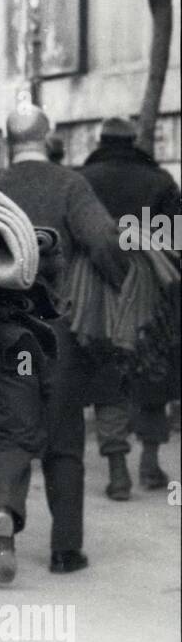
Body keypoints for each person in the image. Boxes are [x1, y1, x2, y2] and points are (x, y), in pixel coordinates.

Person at [0, 104, 127, 581]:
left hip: (9, 334)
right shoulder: (69, 185)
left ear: (8, 140)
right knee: (64, 438)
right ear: (47, 136)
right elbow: (105, 240)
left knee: (13, 431)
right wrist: (116, 281)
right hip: (60, 334)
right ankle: (66, 550)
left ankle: (6, 507)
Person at [79, 116, 181, 495]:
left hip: (98, 285)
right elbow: (177, 241)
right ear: (135, 140)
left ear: (101, 139)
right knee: (152, 369)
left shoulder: (82, 180)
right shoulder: (161, 181)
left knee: (109, 371)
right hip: (151, 287)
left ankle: (117, 470)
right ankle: (150, 466)